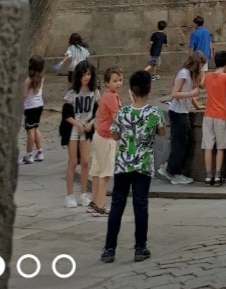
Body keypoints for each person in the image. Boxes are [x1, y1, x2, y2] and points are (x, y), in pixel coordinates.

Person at [101, 70, 165, 264]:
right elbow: (162, 132)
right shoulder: (154, 112)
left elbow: (114, 135)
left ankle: (109, 249)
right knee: (140, 205)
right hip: (143, 165)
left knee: (117, 206)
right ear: (149, 89)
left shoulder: (123, 112)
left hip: (123, 164)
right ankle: (140, 247)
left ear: (131, 91)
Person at [158, 49, 205, 185]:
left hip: (183, 112)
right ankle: (174, 173)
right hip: (178, 113)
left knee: (183, 142)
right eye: (201, 65)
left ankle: (168, 167)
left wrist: (197, 106)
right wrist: (191, 94)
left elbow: (189, 93)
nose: (202, 68)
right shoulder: (183, 73)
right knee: (180, 144)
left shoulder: (189, 75)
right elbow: (174, 93)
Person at [62, 59, 100, 207]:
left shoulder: (95, 92)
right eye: (84, 74)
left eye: (89, 74)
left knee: (85, 162)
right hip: (73, 128)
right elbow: (66, 114)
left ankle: (84, 193)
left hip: (87, 128)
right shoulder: (72, 93)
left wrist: (91, 123)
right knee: (72, 162)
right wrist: (77, 124)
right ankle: (69, 195)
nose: (86, 77)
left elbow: (98, 111)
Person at [88, 67, 123, 216]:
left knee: (97, 171)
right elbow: (117, 119)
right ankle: (100, 205)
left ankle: (94, 202)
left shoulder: (106, 95)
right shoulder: (112, 97)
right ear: (107, 83)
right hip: (107, 137)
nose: (118, 83)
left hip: (99, 135)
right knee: (105, 173)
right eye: (115, 81)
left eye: (120, 80)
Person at [202, 49, 226, 185]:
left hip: (208, 114)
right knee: (220, 147)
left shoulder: (208, 76)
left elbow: (202, 86)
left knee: (208, 146)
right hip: (221, 114)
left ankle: (208, 175)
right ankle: (217, 175)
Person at [20, 56, 45, 164]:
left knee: (30, 131)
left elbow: (24, 95)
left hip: (30, 107)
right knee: (36, 128)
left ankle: (29, 155)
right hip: (39, 105)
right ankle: (40, 152)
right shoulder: (41, 78)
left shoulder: (28, 80)